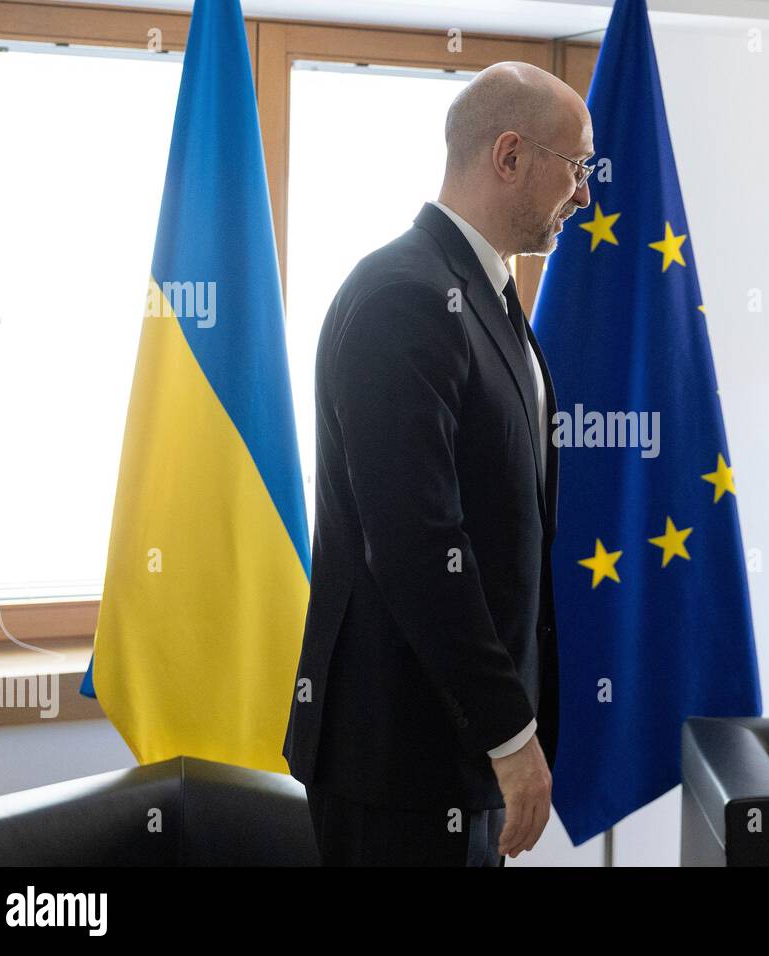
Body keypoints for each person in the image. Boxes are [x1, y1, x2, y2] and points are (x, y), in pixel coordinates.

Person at [282, 61, 593, 866]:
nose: (584, 195)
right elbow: (418, 545)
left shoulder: (487, 295)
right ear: (511, 156)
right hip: (399, 755)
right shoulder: (405, 296)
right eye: (577, 167)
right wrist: (509, 733)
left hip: (453, 757)